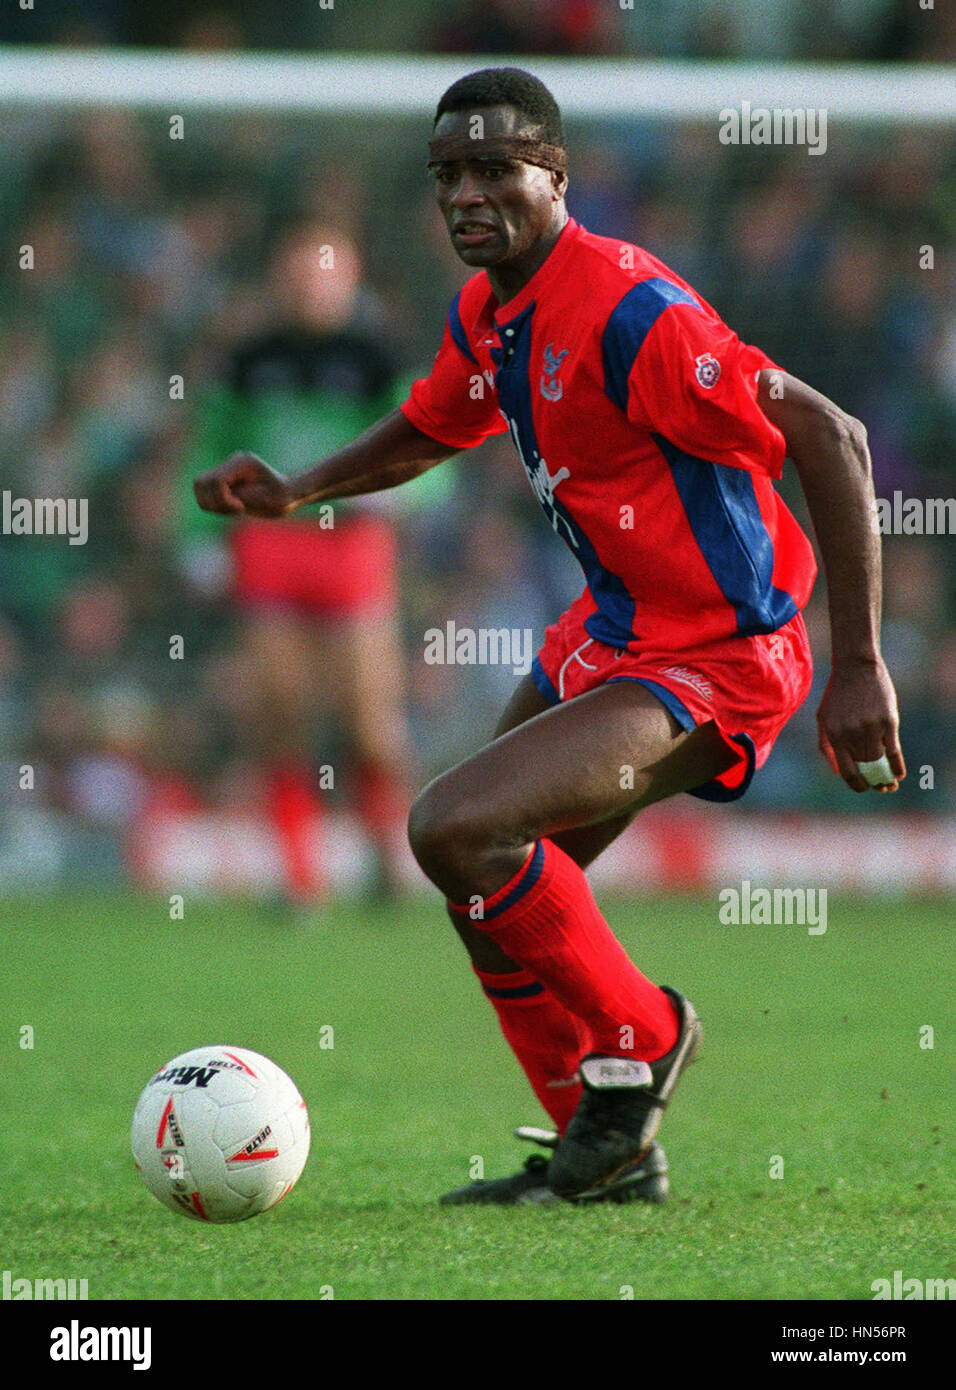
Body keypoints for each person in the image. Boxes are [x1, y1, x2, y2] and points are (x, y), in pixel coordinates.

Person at [194, 68, 905, 1205]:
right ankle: (601, 1148)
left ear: (554, 175)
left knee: (453, 828)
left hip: (721, 650)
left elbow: (831, 435)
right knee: (489, 885)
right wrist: (296, 489)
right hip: (614, 631)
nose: (464, 195)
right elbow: (433, 424)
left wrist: (860, 662)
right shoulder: (487, 311)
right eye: (446, 177)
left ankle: (648, 1032)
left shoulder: (632, 309)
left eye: (491, 169)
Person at [185, 220, 414, 902]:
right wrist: (197, 538)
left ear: (351, 279)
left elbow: (431, 445)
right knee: (278, 709)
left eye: (325, 272)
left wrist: (400, 491)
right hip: (272, 542)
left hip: (350, 544)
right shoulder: (249, 360)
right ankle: (299, 874)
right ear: (278, 281)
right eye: (298, 273)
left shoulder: (379, 355)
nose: (310, 285)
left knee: (370, 719)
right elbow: (206, 449)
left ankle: (386, 850)